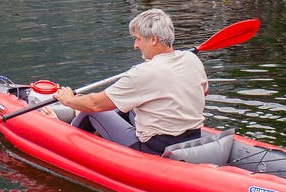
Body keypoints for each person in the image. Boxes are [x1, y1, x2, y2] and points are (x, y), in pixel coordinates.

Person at [54, 9, 208, 155]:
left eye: (138, 39)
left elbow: (95, 104)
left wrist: (69, 100)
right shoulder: (191, 59)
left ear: (154, 39)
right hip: (192, 137)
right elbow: (203, 91)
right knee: (128, 107)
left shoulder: (143, 72)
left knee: (92, 112)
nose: (135, 45)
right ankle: (91, 130)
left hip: (154, 147)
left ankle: (62, 135)